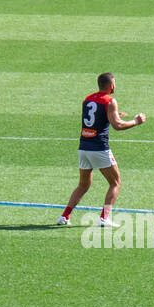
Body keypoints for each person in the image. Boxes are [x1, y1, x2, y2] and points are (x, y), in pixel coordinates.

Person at [57, 72, 145, 227]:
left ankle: (65, 216)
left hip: (83, 147)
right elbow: (117, 126)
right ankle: (104, 218)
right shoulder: (110, 101)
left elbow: (95, 118)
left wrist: (113, 114)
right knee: (116, 183)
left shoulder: (88, 99)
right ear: (111, 85)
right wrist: (135, 121)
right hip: (99, 148)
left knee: (83, 185)